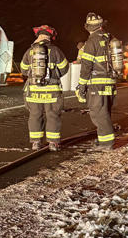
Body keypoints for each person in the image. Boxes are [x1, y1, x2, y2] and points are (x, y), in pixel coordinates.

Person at [20, 25, 69, 150]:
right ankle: (53, 143)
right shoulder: (55, 50)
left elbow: (24, 70)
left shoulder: (30, 51)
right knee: (53, 115)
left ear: (38, 36)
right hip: (52, 91)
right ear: (50, 36)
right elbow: (64, 68)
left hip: (34, 91)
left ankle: (36, 142)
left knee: (35, 115)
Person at [75, 12, 117, 150]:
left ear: (88, 27)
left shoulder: (91, 41)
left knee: (98, 112)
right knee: (105, 111)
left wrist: (81, 84)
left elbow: (86, 66)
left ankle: (106, 143)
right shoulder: (110, 38)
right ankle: (102, 139)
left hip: (97, 82)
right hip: (110, 81)